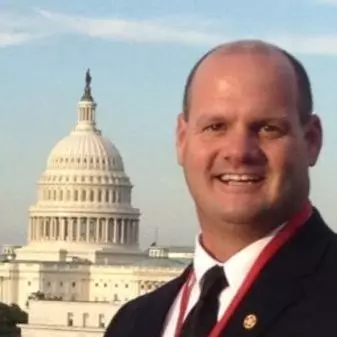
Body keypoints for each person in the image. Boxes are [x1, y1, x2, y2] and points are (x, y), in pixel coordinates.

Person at [103, 40, 337, 337]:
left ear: (312, 140)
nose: (238, 151)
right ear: (182, 140)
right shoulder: (134, 323)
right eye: (216, 126)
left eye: (267, 128)